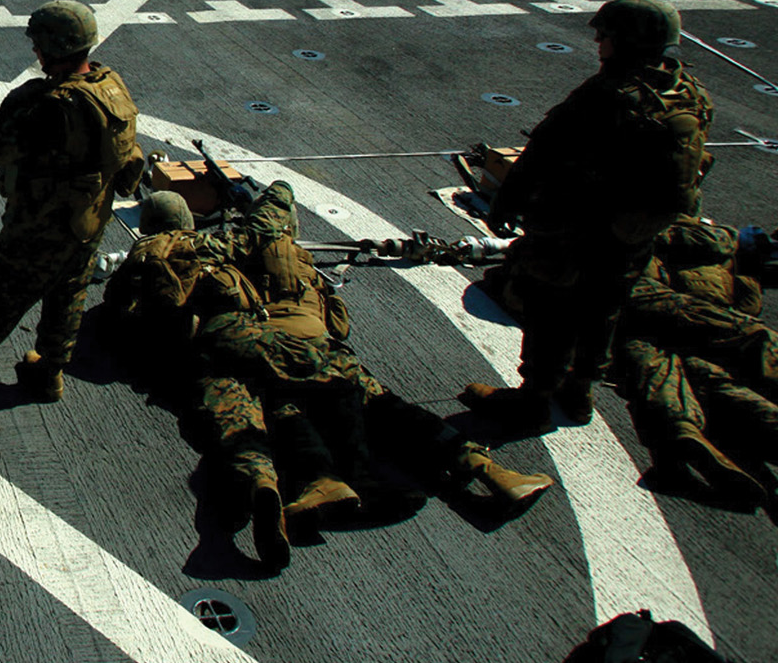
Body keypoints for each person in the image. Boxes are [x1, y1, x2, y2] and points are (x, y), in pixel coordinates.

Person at [108, 187, 553, 570]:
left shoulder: (150, 254)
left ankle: (275, 483)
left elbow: (120, 313)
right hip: (314, 346)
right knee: (385, 406)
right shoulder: (242, 248)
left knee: (254, 413)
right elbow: (338, 324)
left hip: (222, 348)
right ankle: (488, 470)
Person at [462, 0, 714, 433]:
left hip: (577, 231)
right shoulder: (688, 92)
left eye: (606, 34)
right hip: (633, 234)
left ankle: (533, 401)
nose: (599, 41)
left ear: (628, 40)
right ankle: (580, 393)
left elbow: (544, 151)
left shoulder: (608, 96)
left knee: (550, 311)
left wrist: (507, 201)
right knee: (603, 311)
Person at [0, 0, 145, 401]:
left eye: (39, 44)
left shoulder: (53, 105)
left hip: (41, 223)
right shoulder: (109, 86)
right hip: (88, 220)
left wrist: (23, 98)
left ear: (53, 47)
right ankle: (49, 373)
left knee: (3, 294)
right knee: (68, 295)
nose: (35, 50)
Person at [610, 215, 776, 514]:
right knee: (730, 356)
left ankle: (679, 439)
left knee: (680, 370)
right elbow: (661, 236)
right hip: (652, 300)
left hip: (662, 323)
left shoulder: (741, 272)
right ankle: (681, 438)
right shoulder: (718, 238)